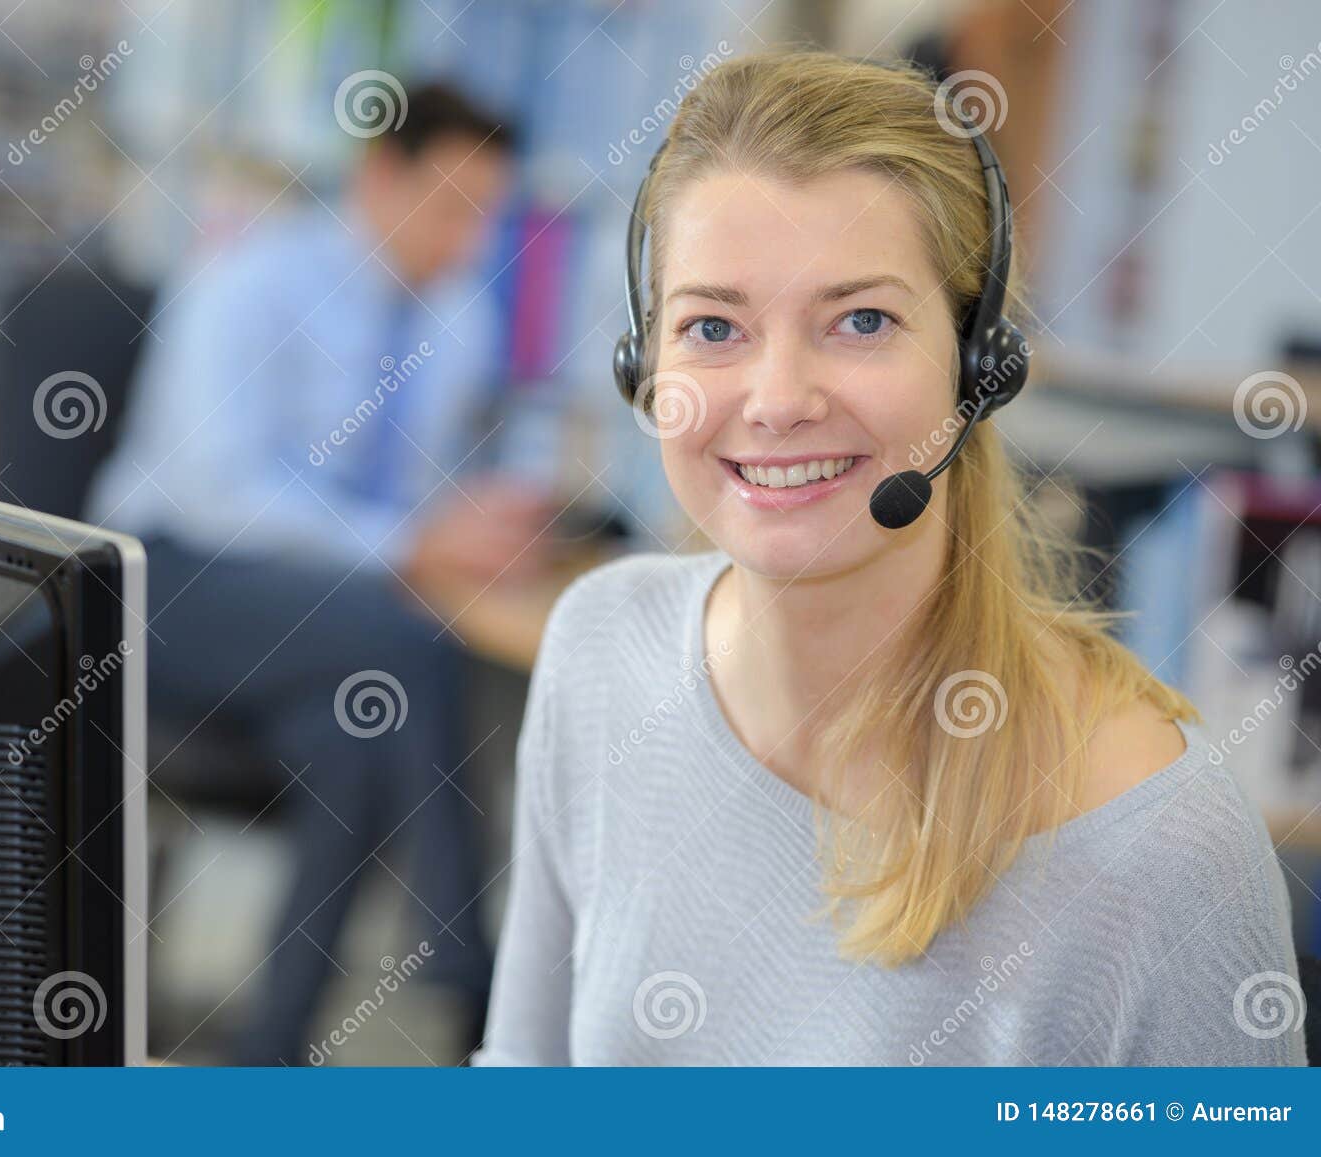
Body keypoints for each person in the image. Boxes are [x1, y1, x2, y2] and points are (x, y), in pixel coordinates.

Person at [474, 49, 1307, 1066]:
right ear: (643, 367)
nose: (777, 398)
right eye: (712, 325)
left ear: (976, 366)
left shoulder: (1162, 846)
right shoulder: (601, 649)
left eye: (860, 320)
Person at [88, 82, 556, 1065]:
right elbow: (215, 491)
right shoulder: (252, 280)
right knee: (404, 641)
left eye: (488, 215)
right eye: (453, 207)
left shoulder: (455, 321)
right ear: (380, 176)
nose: (470, 240)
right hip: (166, 583)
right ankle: (468, 964)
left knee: (359, 719)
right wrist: (405, 547)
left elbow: (417, 501)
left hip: (315, 629)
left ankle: (274, 1049)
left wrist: (476, 520)